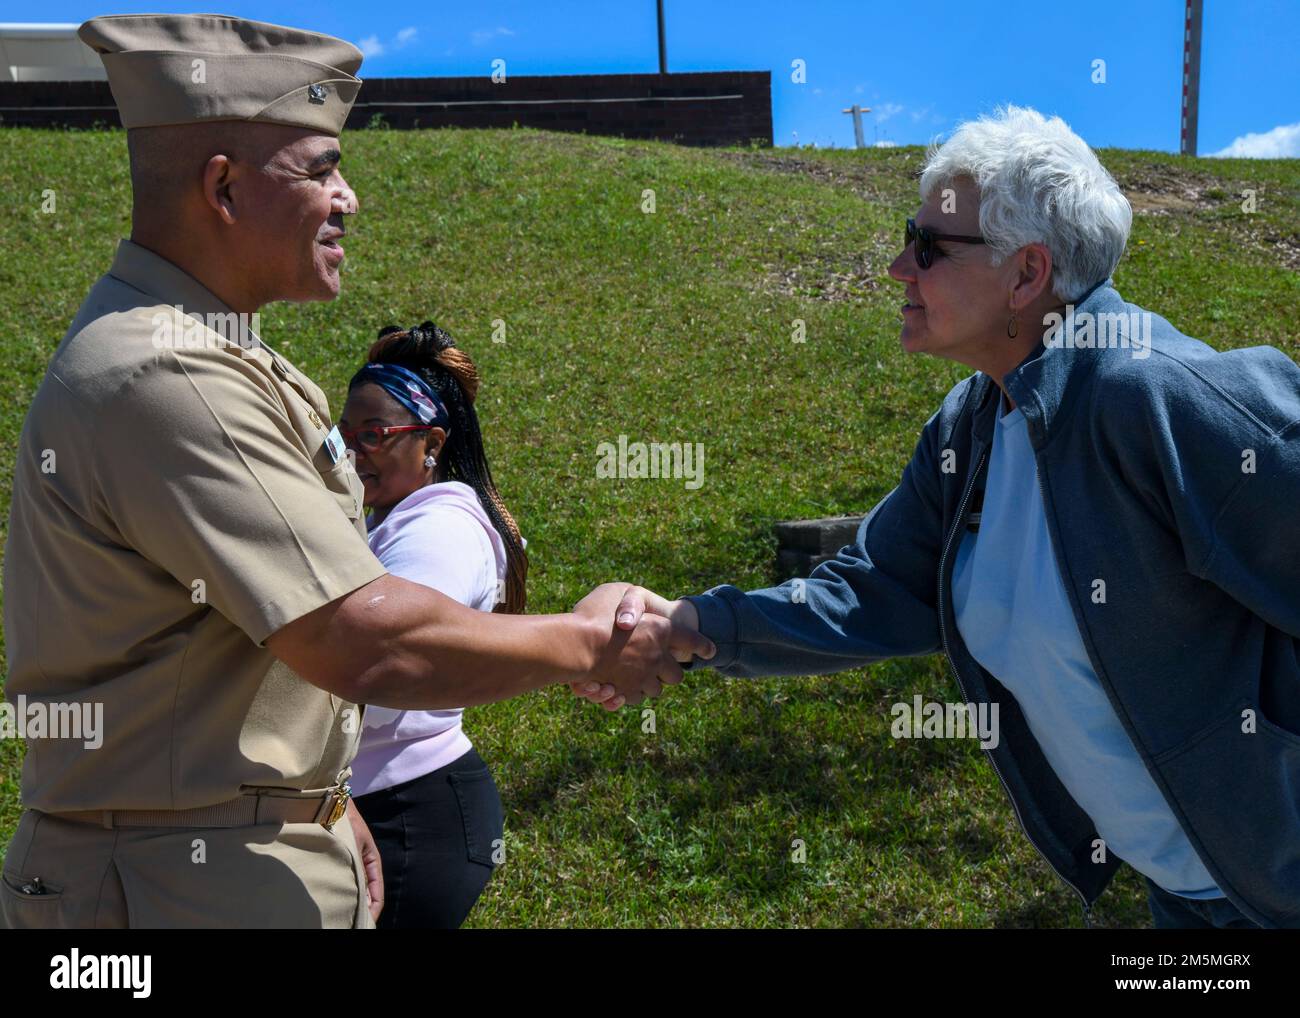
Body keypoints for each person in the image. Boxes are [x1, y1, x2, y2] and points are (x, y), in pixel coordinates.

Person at [0, 13, 711, 931]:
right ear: (221, 187)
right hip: (176, 886)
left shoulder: (212, 355)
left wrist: (319, 804)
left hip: (207, 860)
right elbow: (364, 639)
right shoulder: (171, 374)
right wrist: (590, 641)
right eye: (321, 168)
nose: (349, 199)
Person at [583, 106, 1300, 930]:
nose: (897, 268)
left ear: (1027, 275)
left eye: (927, 246)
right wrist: (690, 624)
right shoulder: (972, 423)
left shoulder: (1155, 395)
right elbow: (882, 588)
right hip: (1185, 894)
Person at [341, 322, 522, 928]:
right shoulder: (403, 521)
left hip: (407, 818)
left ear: (432, 444)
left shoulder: (435, 535)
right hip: (399, 805)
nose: (351, 453)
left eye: (374, 435)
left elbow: (388, 678)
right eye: (342, 438)